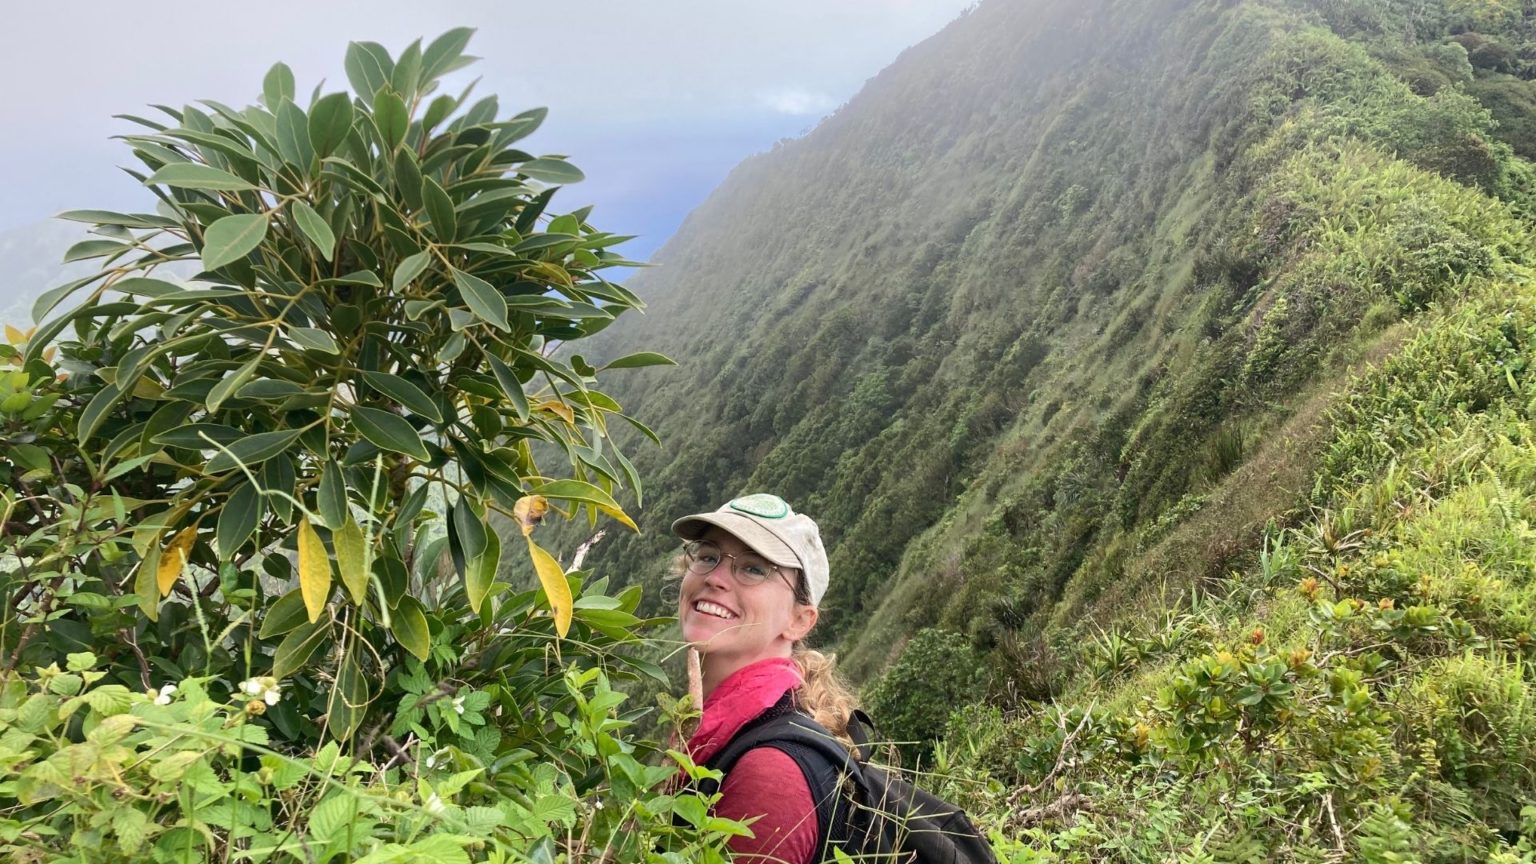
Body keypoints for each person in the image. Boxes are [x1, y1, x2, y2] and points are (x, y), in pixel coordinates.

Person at [672, 493, 858, 864]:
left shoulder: (771, 775)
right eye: (707, 556)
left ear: (799, 620)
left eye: (754, 569)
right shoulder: (718, 730)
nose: (716, 578)